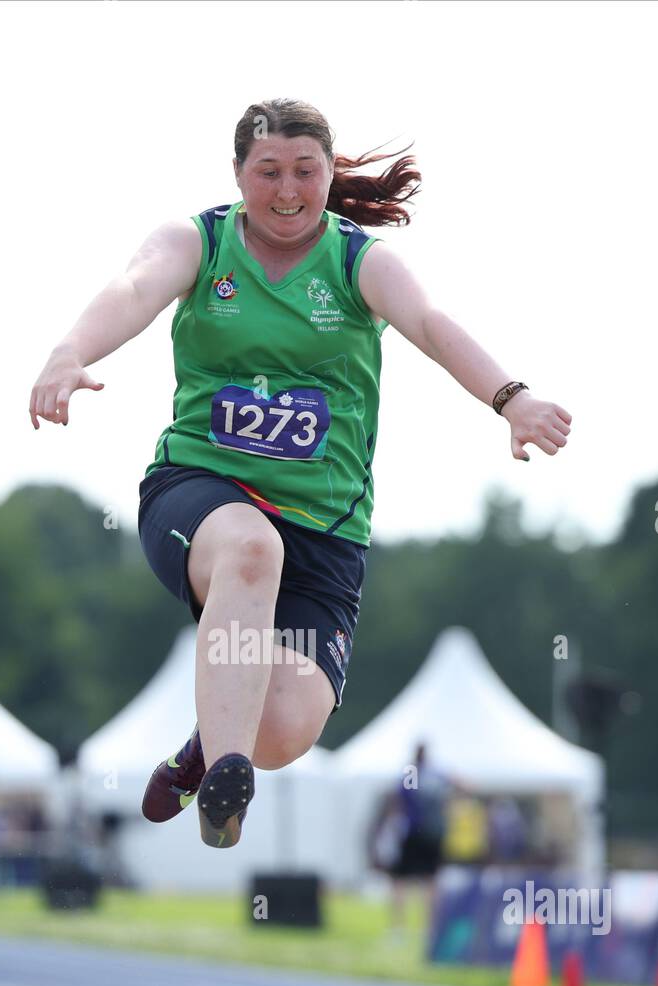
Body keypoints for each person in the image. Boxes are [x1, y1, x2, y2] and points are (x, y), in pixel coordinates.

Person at [29, 98, 572, 851]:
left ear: (326, 171)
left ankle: (203, 750)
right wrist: (70, 352)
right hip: (199, 491)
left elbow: (429, 323)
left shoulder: (359, 261)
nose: (287, 191)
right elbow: (133, 289)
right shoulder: (199, 242)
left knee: (283, 731)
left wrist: (511, 398)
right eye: (268, 172)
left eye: (305, 172)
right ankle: (225, 779)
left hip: (326, 530)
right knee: (253, 550)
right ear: (238, 174)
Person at [370, 743, 451, 931]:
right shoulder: (437, 776)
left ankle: (399, 926)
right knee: (431, 882)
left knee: (398, 881)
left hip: (412, 833)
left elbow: (399, 801)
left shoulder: (412, 773)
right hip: (434, 836)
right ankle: (431, 927)